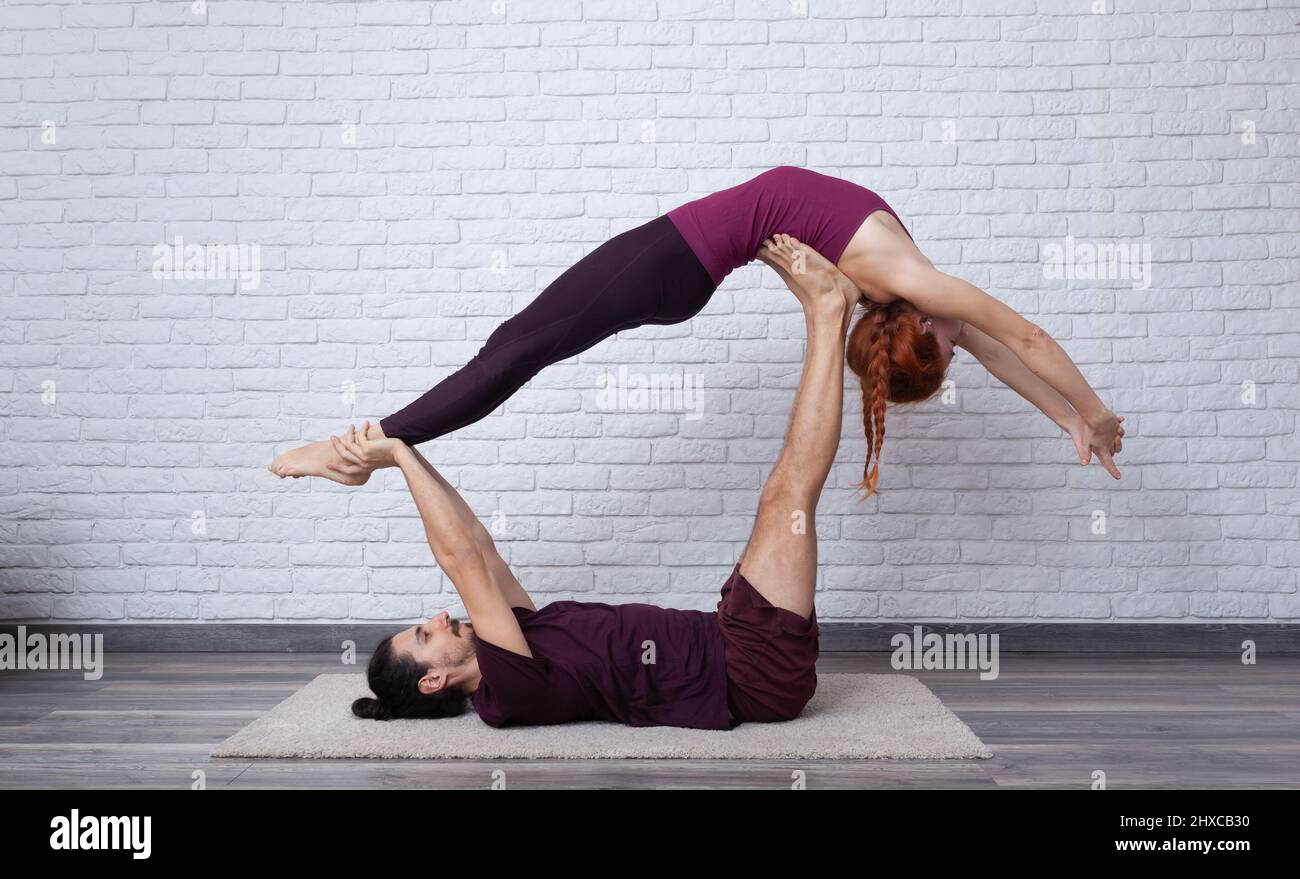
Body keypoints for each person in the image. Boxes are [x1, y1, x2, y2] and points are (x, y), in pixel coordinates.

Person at [269, 166, 1124, 494]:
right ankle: (372, 449)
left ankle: (361, 446)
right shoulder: (913, 284)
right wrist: (1084, 414)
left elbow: (1013, 345)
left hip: (672, 261)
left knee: (516, 347)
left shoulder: (909, 287)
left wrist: (1078, 417)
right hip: (679, 269)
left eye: (949, 342)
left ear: (914, 332)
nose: (961, 332)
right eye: (952, 340)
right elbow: (1026, 342)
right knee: (517, 344)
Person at [347, 238, 855, 727]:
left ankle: (832, 308)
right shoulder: (508, 692)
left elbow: (478, 544)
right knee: (788, 494)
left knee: (786, 494)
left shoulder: (516, 636)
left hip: (727, 635)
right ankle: (829, 311)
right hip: (749, 672)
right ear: (433, 680)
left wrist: (406, 451)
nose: (437, 617)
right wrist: (392, 449)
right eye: (424, 634)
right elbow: (460, 561)